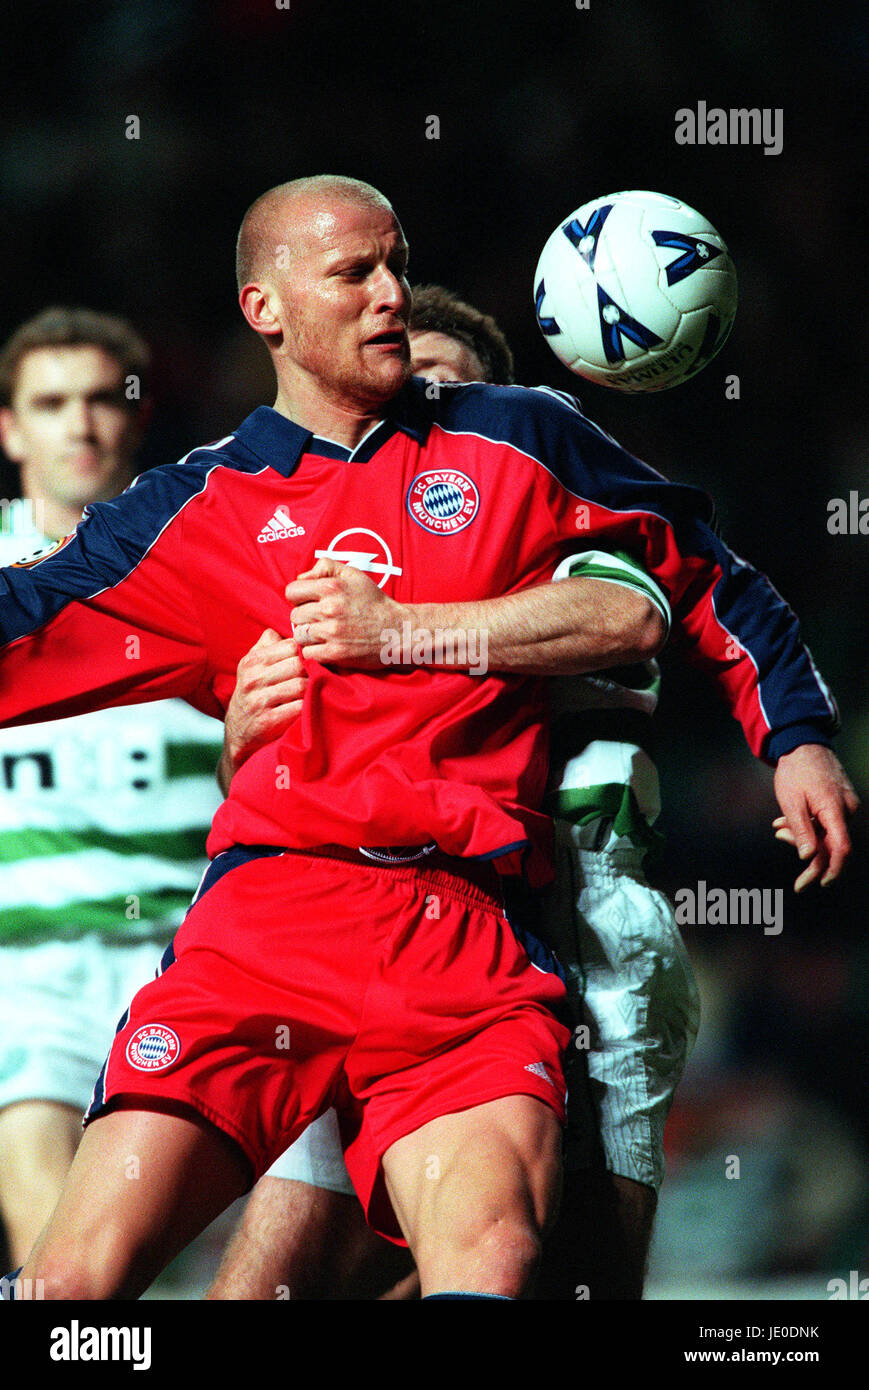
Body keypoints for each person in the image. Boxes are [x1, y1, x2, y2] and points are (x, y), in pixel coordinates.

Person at [0, 177, 849, 1301]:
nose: (392, 294)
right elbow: (25, 626)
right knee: (72, 1291)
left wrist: (793, 731)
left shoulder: (522, 437)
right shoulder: (192, 505)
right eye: (355, 274)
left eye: (396, 263)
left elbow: (696, 571)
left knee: (494, 1259)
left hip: (466, 941)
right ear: (266, 307)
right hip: (264, 930)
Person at [208, 287, 856, 1301]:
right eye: (396, 391)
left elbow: (625, 618)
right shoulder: (323, 565)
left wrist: (797, 735)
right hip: (369, 920)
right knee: (276, 1270)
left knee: (565, 1280)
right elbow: (263, 779)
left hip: (576, 905)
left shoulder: (561, 518)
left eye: (447, 391)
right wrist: (242, 738)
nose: (420, 414)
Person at [0, 308, 223, 1269]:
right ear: (10, 428)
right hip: (26, 967)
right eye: (50, 404)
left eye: (101, 400)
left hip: (191, 966)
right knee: (64, 1251)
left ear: (136, 417)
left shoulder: (202, 563)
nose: (80, 425)